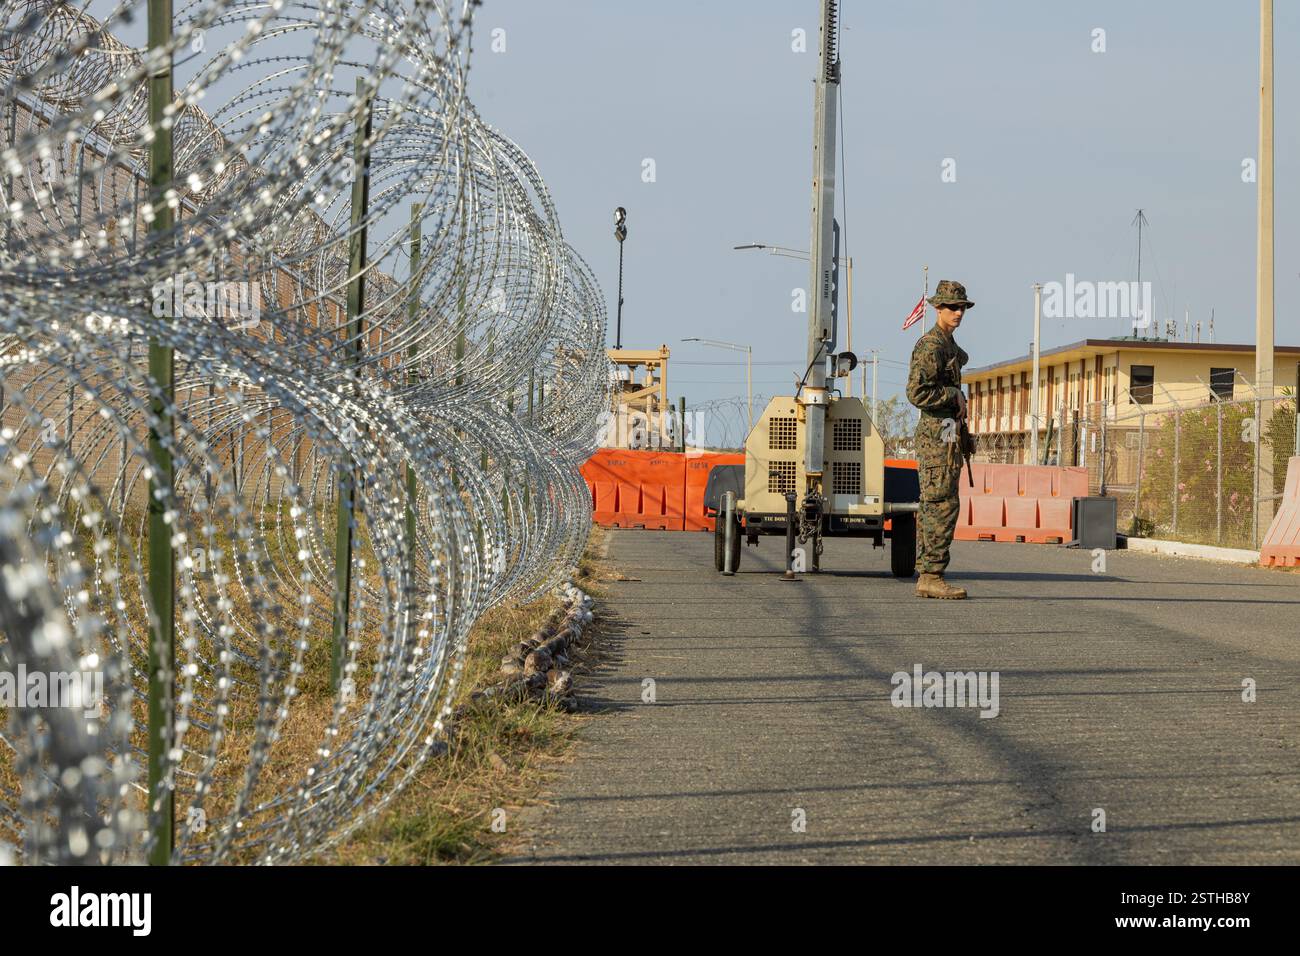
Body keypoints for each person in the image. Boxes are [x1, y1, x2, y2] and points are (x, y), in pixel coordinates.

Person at [906, 279, 972, 599]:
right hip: (935, 435)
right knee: (940, 504)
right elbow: (916, 392)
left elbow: (959, 364)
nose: (957, 312)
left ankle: (929, 572)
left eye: (961, 307)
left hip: (947, 432)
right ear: (937, 308)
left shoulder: (948, 346)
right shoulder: (931, 346)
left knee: (940, 503)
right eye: (951, 307)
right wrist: (952, 393)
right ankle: (931, 574)